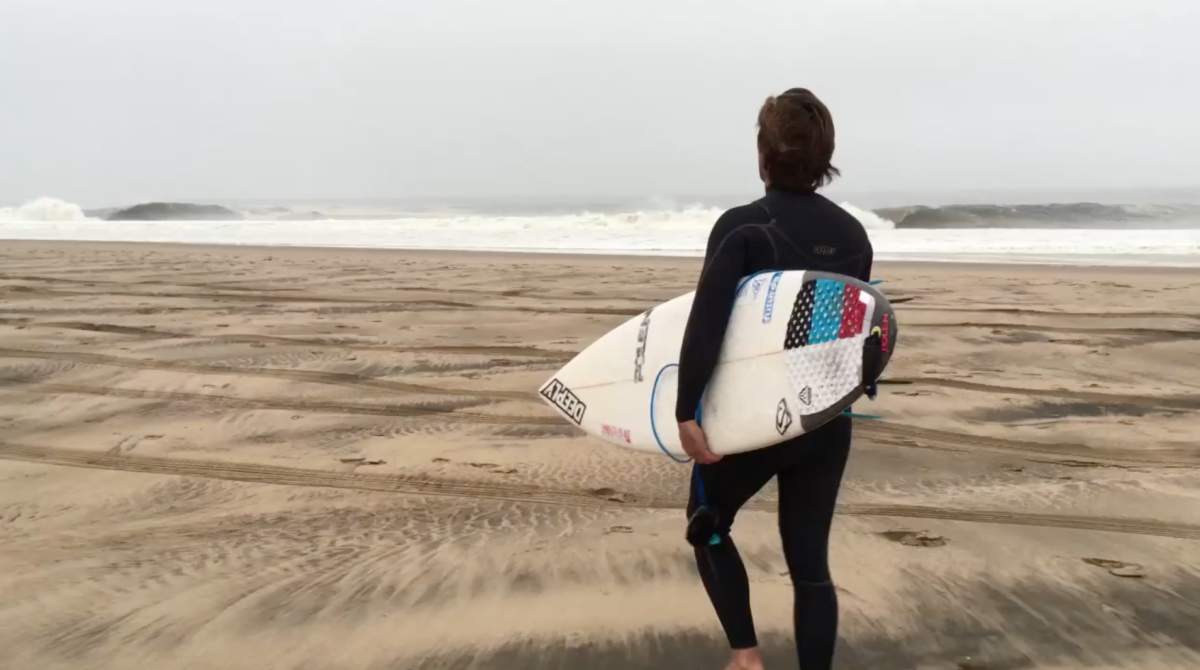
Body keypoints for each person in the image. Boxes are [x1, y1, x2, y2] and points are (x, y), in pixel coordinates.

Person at [674, 88, 873, 670]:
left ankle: (746, 656)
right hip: (824, 416)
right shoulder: (855, 234)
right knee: (810, 565)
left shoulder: (741, 228)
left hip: (754, 419)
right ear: (824, 156)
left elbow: (708, 324)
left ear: (763, 154)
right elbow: (845, 330)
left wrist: (687, 411)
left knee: (707, 526)